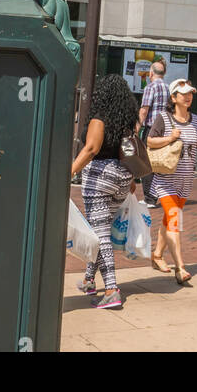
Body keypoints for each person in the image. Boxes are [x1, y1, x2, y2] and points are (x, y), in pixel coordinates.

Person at [70, 73, 140, 310]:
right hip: (122, 178)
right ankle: (90, 280)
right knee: (98, 228)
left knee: (100, 234)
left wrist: (68, 172)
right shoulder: (128, 121)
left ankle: (111, 289)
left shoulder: (99, 119)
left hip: (100, 177)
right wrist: (132, 181)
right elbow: (131, 151)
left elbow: (91, 149)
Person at [147, 78, 197, 284]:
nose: (188, 96)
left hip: (185, 180)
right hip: (165, 179)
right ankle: (180, 267)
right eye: (183, 94)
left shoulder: (196, 120)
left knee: (169, 218)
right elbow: (149, 141)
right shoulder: (163, 119)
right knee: (174, 220)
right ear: (173, 98)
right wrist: (170, 138)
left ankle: (156, 255)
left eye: (190, 93)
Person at [136, 58, 169, 208]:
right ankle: (157, 194)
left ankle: (149, 198)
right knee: (158, 163)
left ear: (151, 73)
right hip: (164, 130)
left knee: (146, 162)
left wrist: (136, 128)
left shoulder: (150, 87)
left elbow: (144, 110)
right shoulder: (168, 88)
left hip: (151, 130)